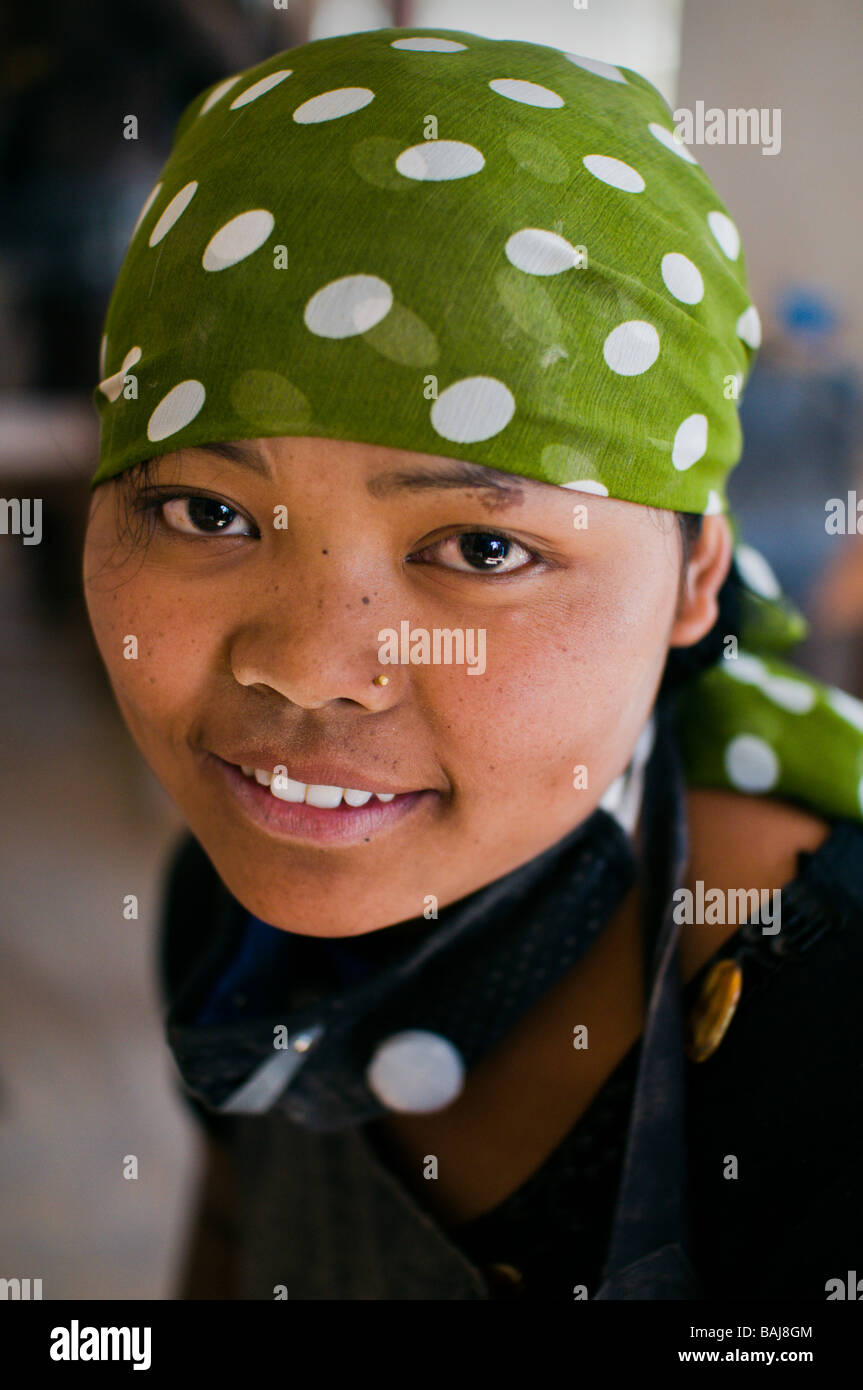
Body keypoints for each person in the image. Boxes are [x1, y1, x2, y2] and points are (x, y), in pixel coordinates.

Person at [82, 26, 863, 1300]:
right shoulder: (234, 905)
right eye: (206, 512)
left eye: (481, 545)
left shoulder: (825, 1053)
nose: (308, 671)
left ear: (693, 578)